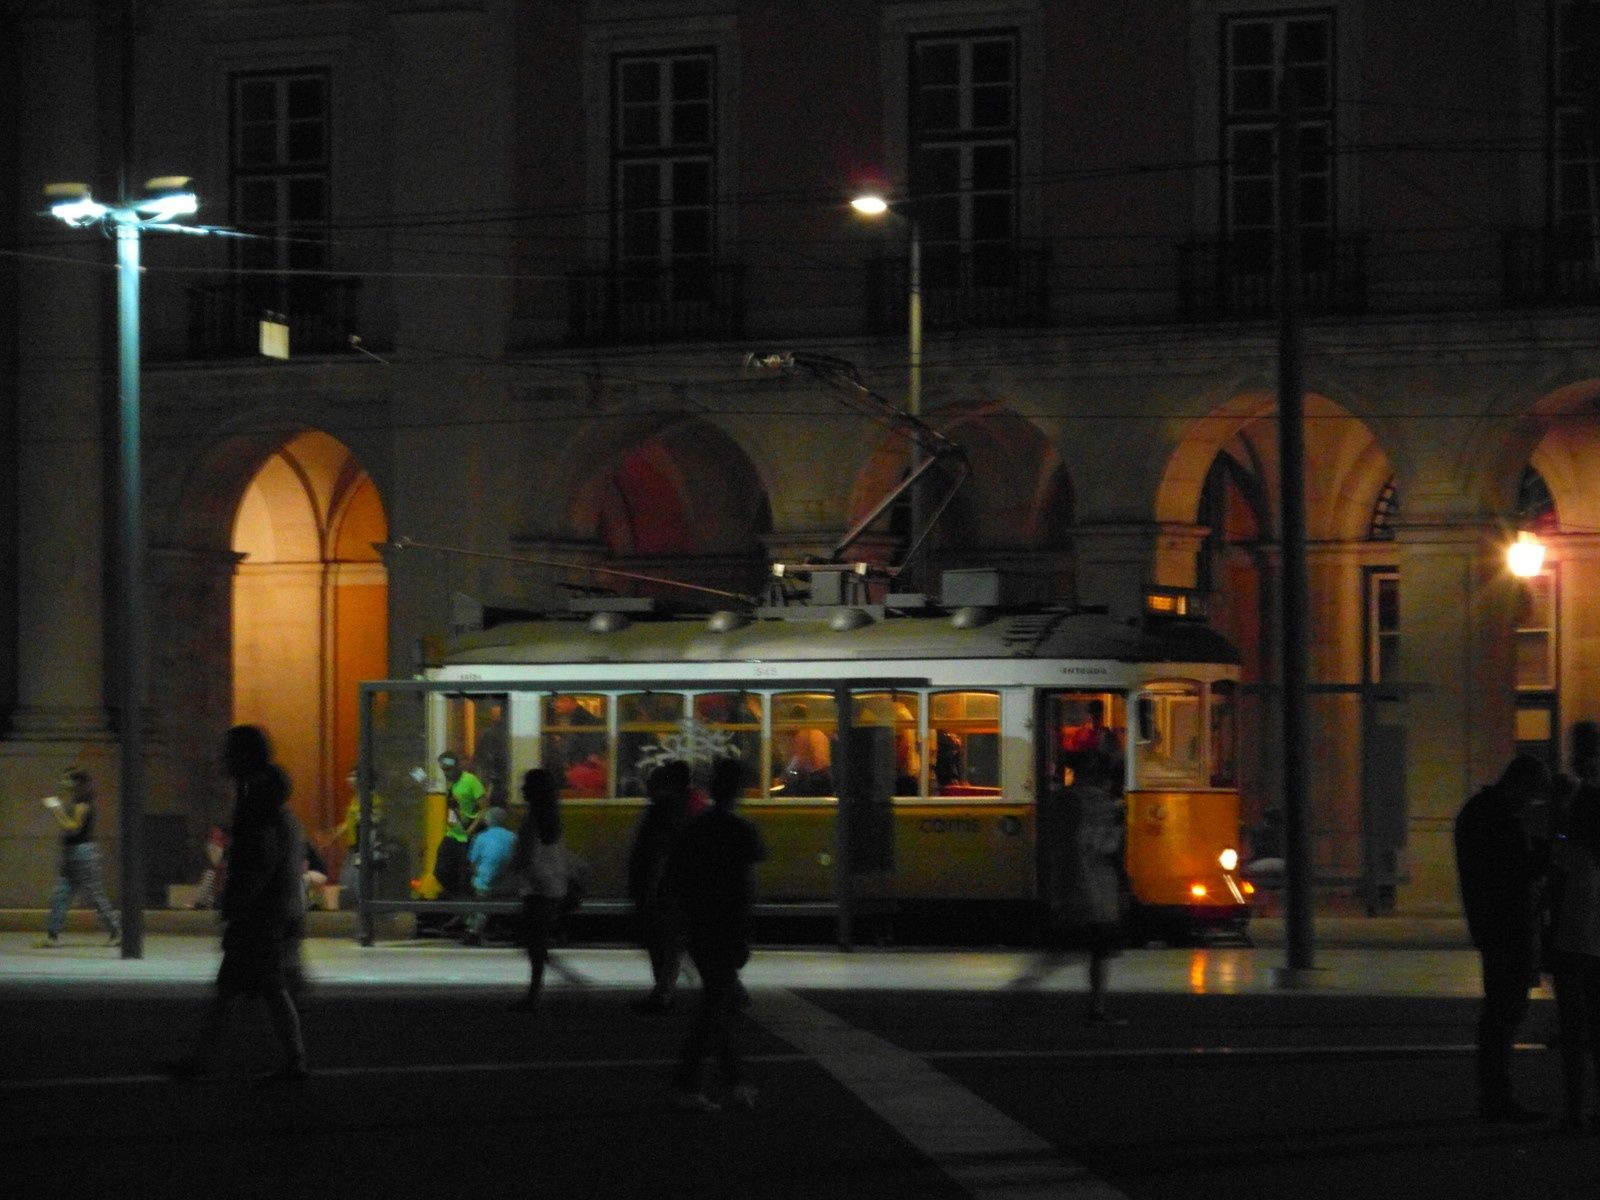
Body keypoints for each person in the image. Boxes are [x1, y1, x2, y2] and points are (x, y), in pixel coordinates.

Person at [167, 725, 308, 1083]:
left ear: (244, 757)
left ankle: (209, 1061)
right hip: (266, 912)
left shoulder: (257, 803)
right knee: (249, 989)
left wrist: (239, 903)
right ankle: (288, 1060)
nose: (224, 759)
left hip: (259, 916)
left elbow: (260, 860)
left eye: (230, 752)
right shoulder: (263, 797)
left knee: (242, 990)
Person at [1454, 753, 1552, 1122]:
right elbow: (1513, 875)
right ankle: (1497, 1096)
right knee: (1505, 1012)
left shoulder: (1477, 812)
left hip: (1493, 926)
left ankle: (1494, 1093)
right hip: (1508, 927)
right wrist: (1543, 856)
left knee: (1500, 1011)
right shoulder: (1499, 818)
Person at [667, 757, 766, 1112]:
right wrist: (744, 934)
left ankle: (735, 1082)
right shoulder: (742, 831)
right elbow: (745, 888)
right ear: (739, 790)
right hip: (725, 929)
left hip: (700, 927)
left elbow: (678, 878)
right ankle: (689, 1084)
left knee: (718, 1004)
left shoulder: (697, 827)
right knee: (716, 1008)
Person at [1023, 752, 1125, 1021]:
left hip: (1069, 885)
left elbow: (1049, 843)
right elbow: (1112, 847)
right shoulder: (1109, 806)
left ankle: (1026, 990)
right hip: (1100, 889)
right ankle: (1097, 1006)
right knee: (1097, 952)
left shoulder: (1062, 800)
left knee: (1063, 947)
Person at [1549, 725, 1600, 1131]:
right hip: (1587, 944)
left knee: (1573, 1027)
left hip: (1571, 945)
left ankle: (1574, 1107)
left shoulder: (1570, 856)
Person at [508, 769, 586, 1012]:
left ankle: (537, 994)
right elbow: (558, 855)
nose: (522, 788)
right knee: (535, 942)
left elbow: (527, 857)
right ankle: (555, 985)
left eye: (526, 784)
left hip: (539, 889)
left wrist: (513, 872)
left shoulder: (532, 819)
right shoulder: (551, 816)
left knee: (534, 943)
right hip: (553, 887)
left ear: (534, 790)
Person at [627, 761, 693, 1012]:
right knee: (670, 942)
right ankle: (665, 990)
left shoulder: (661, 809)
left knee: (662, 941)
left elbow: (656, 852)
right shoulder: (683, 808)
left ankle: (663, 992)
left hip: (663, 888)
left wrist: (650, 887)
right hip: (673, 886)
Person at [37, 767, 121, 948]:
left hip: (83, 854)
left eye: (68, 780)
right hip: (72, 854)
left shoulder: (82, 804)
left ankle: (116, 931)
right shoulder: (76, 801)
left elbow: (72, 827)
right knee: (61, 894)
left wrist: (56, 809)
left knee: (93, 895)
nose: (64, 783)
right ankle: (52, 935)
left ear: (78, 784)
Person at [432, 751, 486, 904]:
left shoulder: (470, 780)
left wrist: (472, 829)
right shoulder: (451, 783)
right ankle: (456, 901)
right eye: (443, 770)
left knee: (464, 874)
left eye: (448, 769)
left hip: (466, 834)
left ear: (457, 766)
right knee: (441, 871)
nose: (446, 773)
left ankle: (464, 905)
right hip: (453, 833)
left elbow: (484, 807)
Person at [463, 806, 517, 945]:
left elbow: (473, 863)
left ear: (487, 821)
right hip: (507, 884)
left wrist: (479, 875)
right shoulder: (512, 837)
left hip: (485, 882)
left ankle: (472, 931)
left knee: (480, 898)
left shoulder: (480, 837)